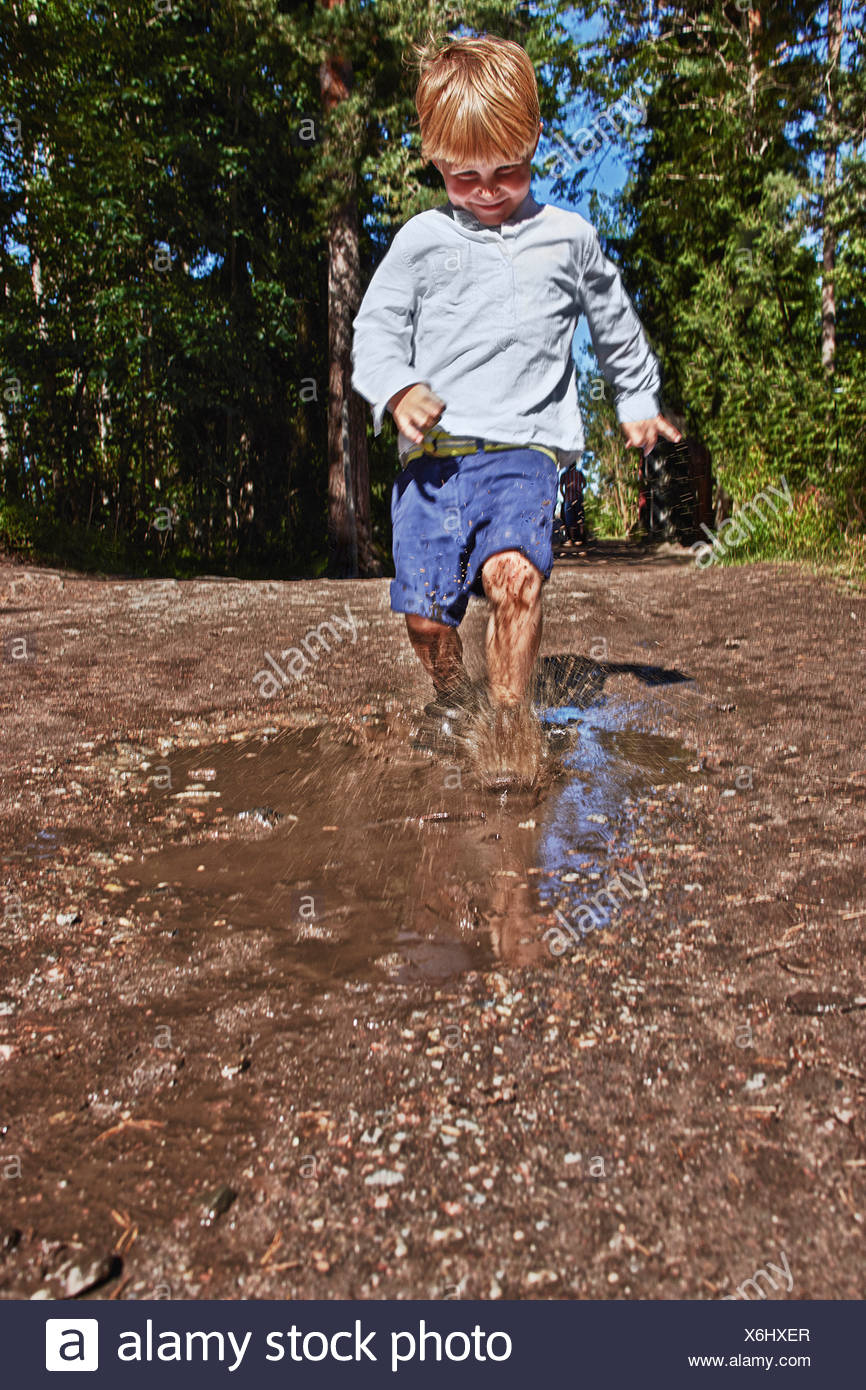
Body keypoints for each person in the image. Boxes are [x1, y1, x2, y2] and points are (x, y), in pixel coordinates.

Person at [351, 34, 680, 780]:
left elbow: (615, 320)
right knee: (428, 619)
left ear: (534, 138)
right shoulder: (421, 241)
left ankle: (508, 733)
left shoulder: (569, 238)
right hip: (434, 469)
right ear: (434, 158)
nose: (490, 190)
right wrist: (399, 389)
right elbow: (373, 334)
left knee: (515, 579)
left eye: (509, 169)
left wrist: (636, 397)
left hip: (523, 456)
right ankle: (450, 693)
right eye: (465, 177)